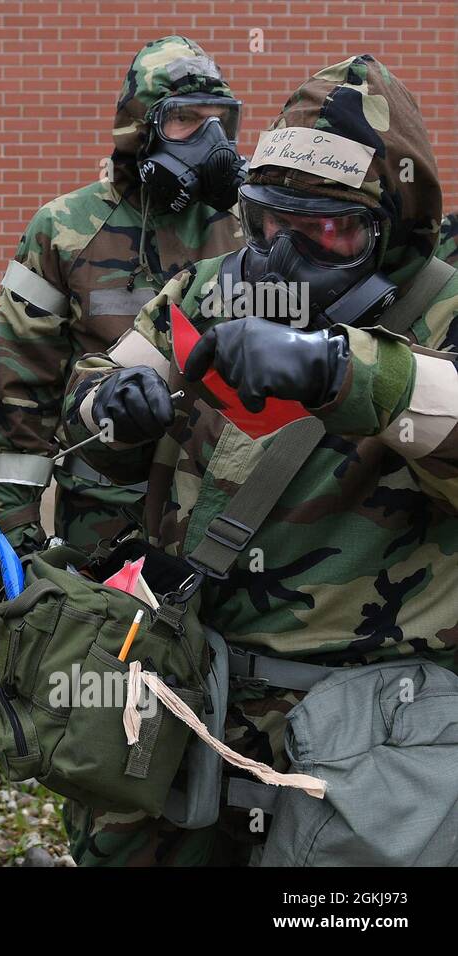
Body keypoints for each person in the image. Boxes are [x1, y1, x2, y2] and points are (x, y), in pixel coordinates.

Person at [59, 55, 458, 865]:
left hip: (361, 729)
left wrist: (352, 374)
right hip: (187, 684)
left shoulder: (441, 308)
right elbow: (99, 380)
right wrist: (115, 403)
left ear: (392, 227)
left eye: (330, 232)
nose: (285, 256)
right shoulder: (209, 289)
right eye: (272, 223)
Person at [0, 36, 245, 559]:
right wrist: (17, 536)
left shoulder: (253, 229)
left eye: (220, 120)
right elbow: (23, 395)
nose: (211, 138)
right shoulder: (62, 230)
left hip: (225, 513)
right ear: (140, 127)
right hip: (104, 513)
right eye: (186, 120)